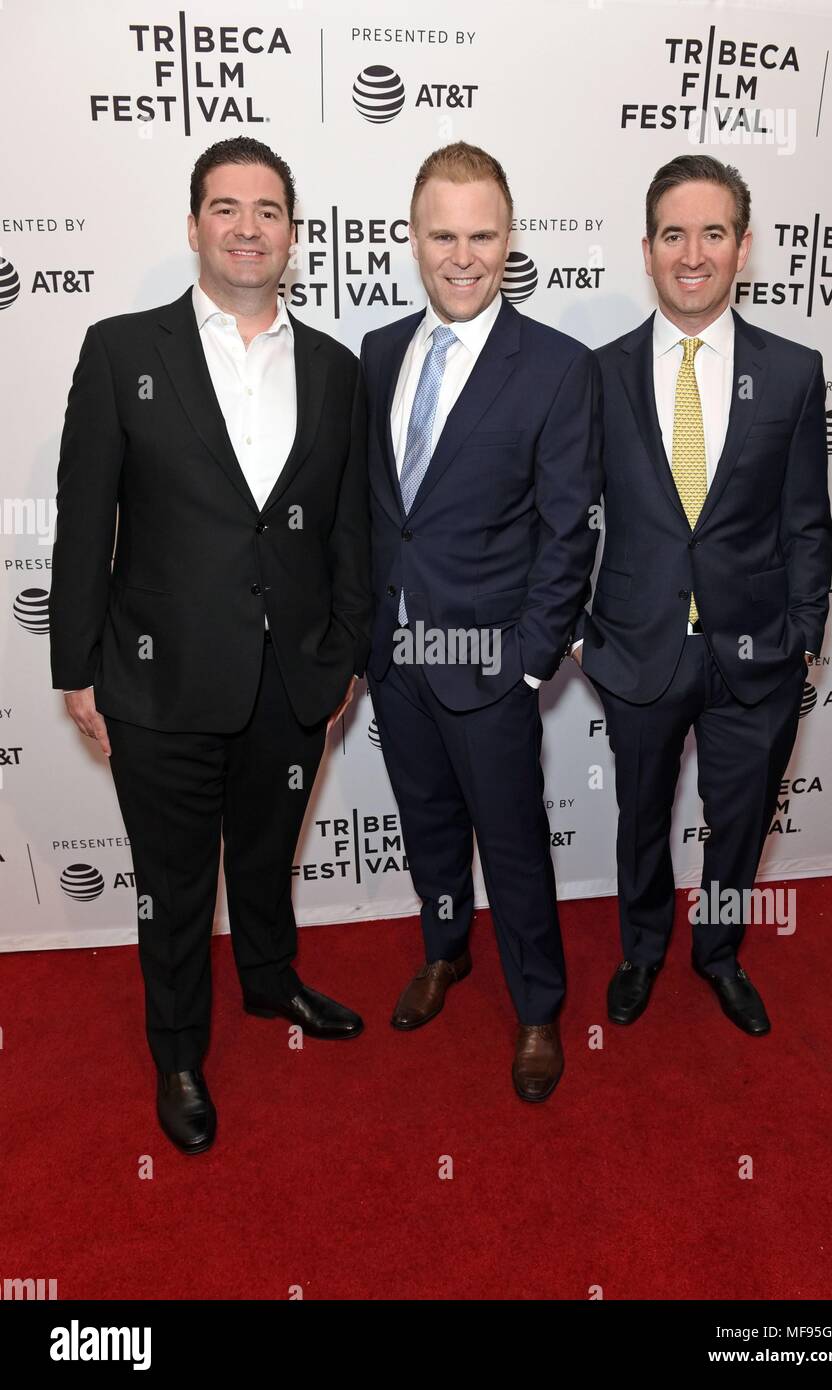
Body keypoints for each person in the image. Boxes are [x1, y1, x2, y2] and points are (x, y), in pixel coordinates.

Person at [49, 137, 371, 1154]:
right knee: (175, 880)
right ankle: (178, 1050)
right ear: (194, 226)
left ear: (291, 232)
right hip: (157, 680)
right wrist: (74, 666)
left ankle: (272, 987)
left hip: (291, 679)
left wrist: (346, 650)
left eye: (267, 209)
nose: (246, 227)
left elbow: (350, 526)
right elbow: (81, 519)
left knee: (268, 858)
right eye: (225, 208)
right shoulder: (119, 351)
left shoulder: (334, 369)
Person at [361, 142, 599, 1101]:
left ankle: (539, 1006)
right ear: (413, 239)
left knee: (511, 842)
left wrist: (529, 664)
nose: (463, 256)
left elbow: (568, 531)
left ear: (510, 237)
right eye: (443, 235)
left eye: (483, 235)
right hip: (396, 652)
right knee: (426, 825)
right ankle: (444, 950)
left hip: (490, 660)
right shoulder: (378, 352)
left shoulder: (554, 366)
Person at [575, 153, 832, 1036]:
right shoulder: (597, 376)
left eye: (712, 233)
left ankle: (717, 953)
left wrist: (802, 632)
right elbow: (564, 518)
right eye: (673, 234)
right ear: (645, 250)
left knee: (740, 821)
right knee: (640, 817)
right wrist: (580, 634)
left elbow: (806, 519)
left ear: (742, 246)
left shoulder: (793, 372)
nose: (693, 253)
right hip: (638, 647)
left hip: (756, 653)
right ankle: (641, 949)